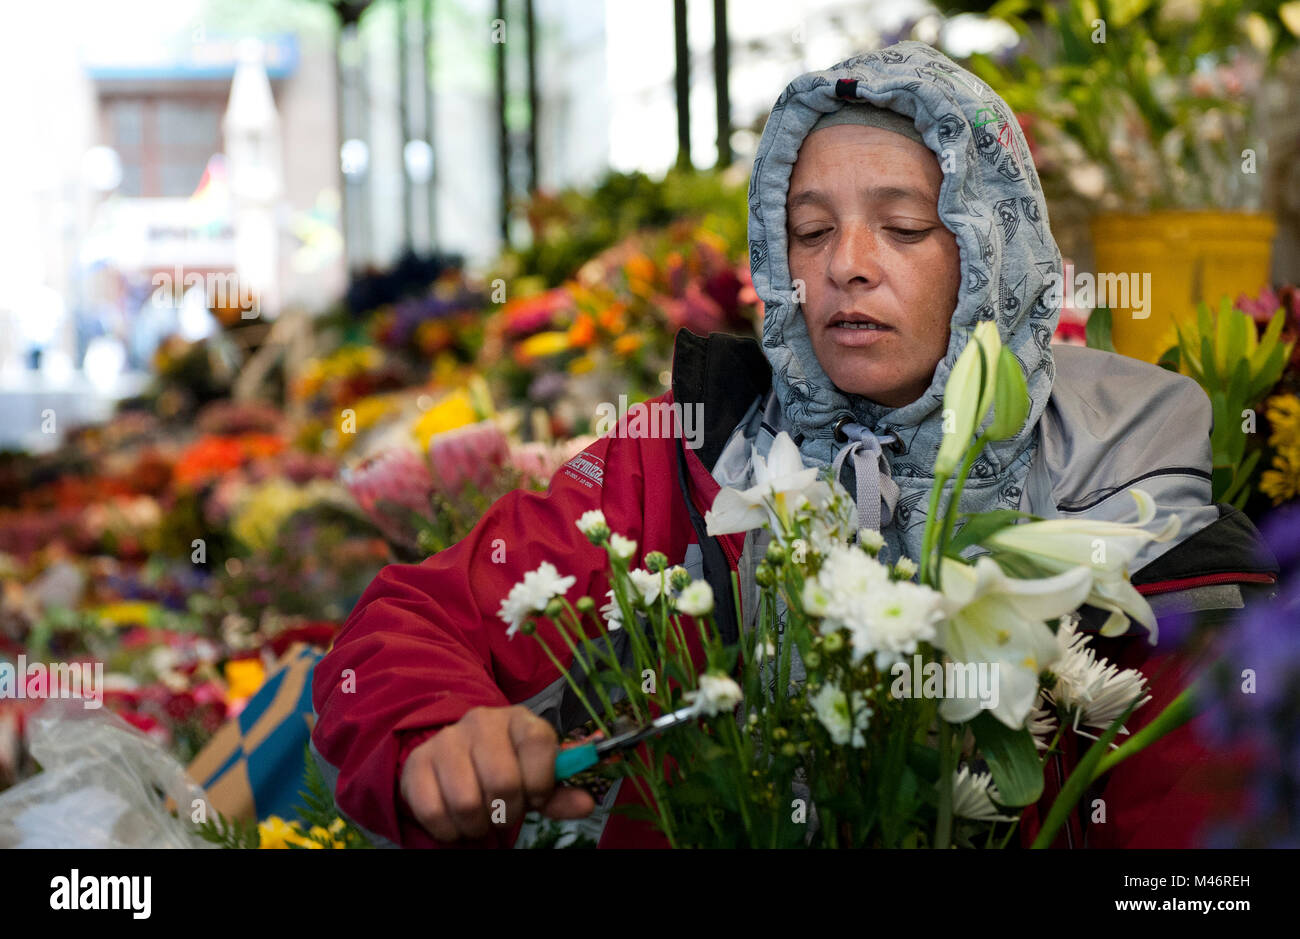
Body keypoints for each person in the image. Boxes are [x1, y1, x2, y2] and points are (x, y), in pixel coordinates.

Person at [310, 40, 1278, 848]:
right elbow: (410, 624)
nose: (846, 267)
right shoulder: (682, 456)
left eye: (904, 227)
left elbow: (1202, 831)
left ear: (993, 253)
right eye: (807, 233)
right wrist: (436, 737)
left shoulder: (1126, 494)